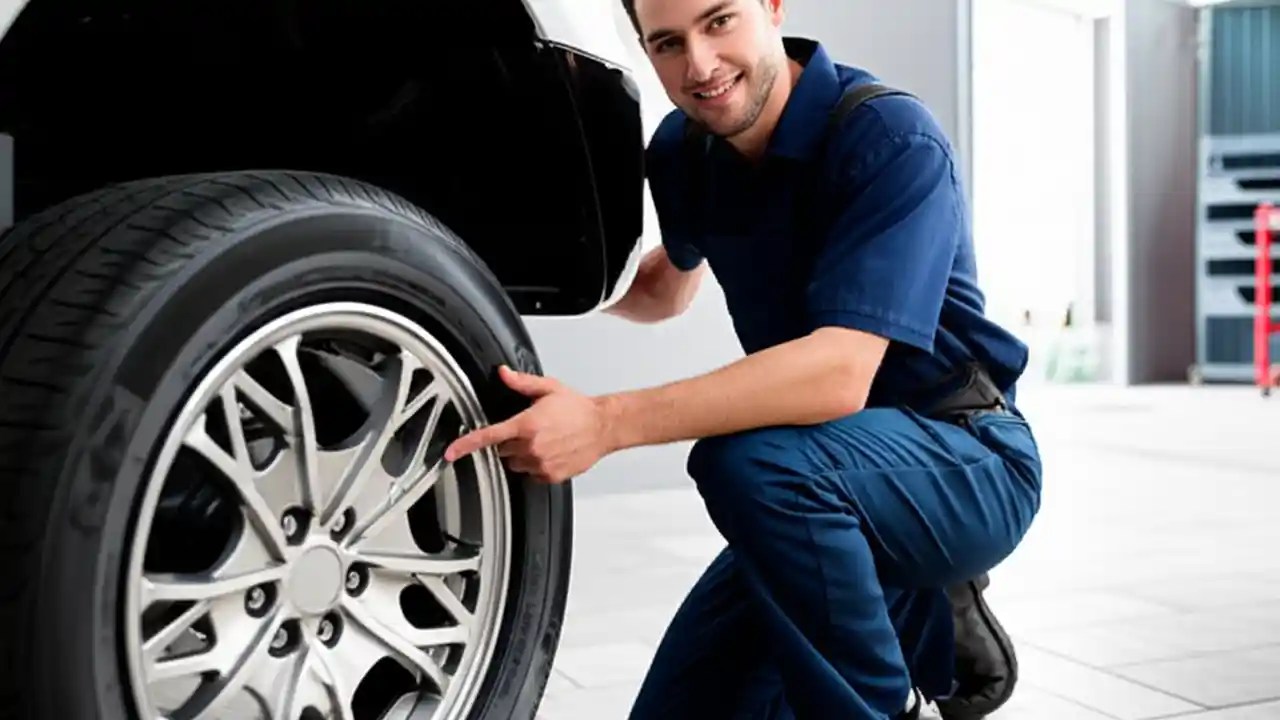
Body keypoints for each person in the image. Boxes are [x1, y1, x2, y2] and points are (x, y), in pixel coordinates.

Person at [443, 0, 1043, 717]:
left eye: (719, 20)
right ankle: (916, 599)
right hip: (825, 477)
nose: (698, 65)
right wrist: (472, 271)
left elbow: (839, 372)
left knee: (748, 464)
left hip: (965, 453)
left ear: (772, 6)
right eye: (667, 43)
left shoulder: (888, 136)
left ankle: (893, 680)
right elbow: (666, 288)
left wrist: (605, 422)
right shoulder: (685, 150)